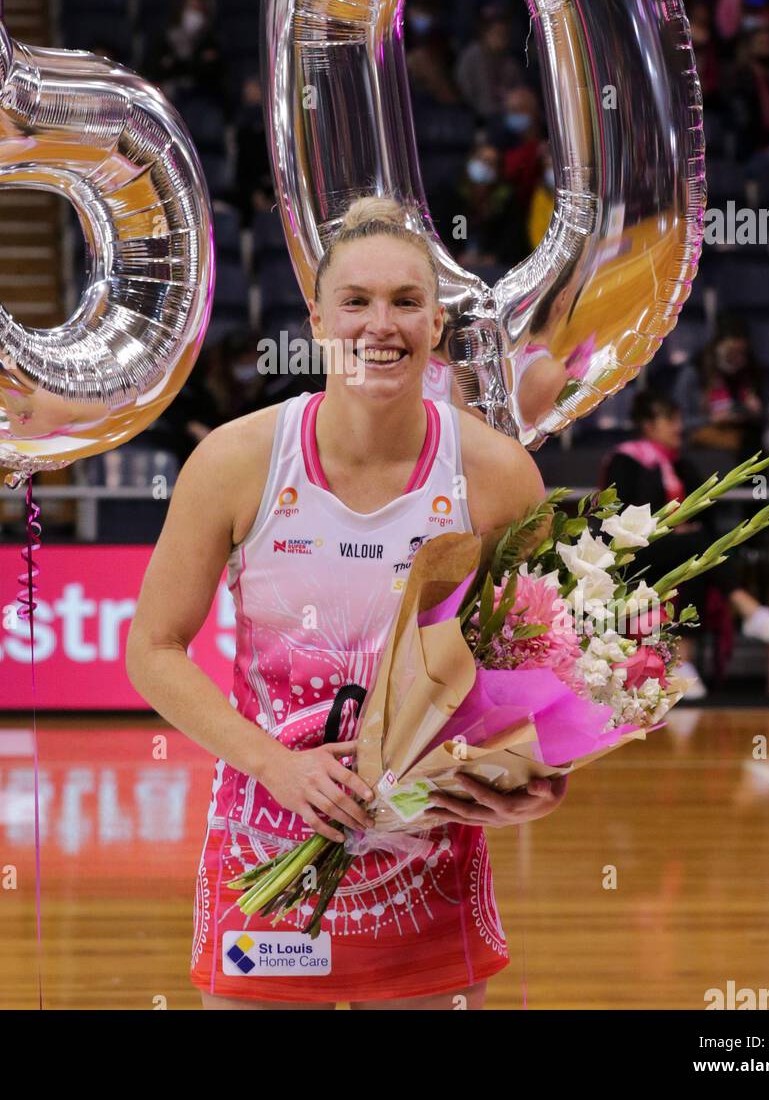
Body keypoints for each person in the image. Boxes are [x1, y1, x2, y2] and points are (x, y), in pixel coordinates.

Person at [126, 195, 562, 1010]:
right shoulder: (235, 461)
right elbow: (152, 648)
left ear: (436, 324)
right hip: (266, 847)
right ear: (318, 319)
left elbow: (533, 676)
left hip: (430, 857)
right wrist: (276, 766)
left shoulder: (499, 476)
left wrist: (530, 775)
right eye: (356, 302)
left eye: (405, 302)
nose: (380, 325)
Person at [602, 392, 769, 701]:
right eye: (670, 420)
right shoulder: (625, 461)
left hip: (677, 553)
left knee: (695, 562)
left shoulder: (681, 465)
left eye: (679, 419)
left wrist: (684, 529)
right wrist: (665, 527)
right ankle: (747, 607)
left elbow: (709, 510)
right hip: (634, 553)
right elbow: (618, 512)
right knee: (695, 547)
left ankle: (683, 664)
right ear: (649, 425)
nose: (679, 427)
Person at [672, 315, 764, 454]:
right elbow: (681, 422)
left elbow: (766, 418)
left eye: (740, 352)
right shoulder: (695, 371)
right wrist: (711, 419)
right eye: (731, 352)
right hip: (702, 444)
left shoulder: (750, 370)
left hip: (742, 437)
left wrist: (755, 411)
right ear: (718, 347)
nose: (736, 358)